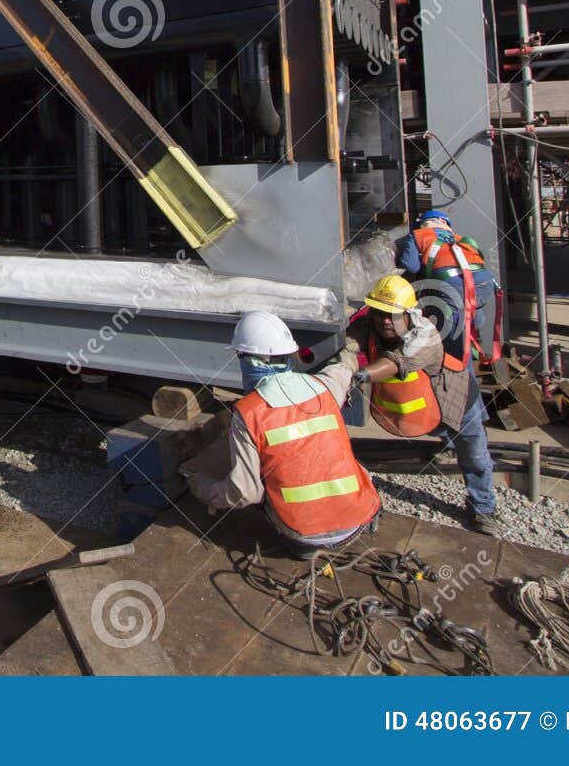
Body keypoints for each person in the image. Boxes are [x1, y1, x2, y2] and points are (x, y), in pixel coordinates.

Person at [182, 311, 381, 554]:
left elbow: (244, 493)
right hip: (359, 517)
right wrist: (352, 341)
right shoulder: (324, 388)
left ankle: (305, 547)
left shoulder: (249, 412)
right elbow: (342, 368)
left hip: (303, 535)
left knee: (261, 477)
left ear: (245, 358)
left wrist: (202, 486)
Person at [352, 275, 499, 535]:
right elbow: (349, 341)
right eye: (381, 313)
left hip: (454, 400)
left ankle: (483, 507)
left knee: (474, 453)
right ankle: (447, 445)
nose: (386, 320)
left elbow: (399, 362)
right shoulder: (370, 326)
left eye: (394, 315)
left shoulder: (425, 335)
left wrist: (359, 375)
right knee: (446, 436)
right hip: (419, 405)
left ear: (410, 313)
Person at [396, 209, 501, 370]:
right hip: (484, 283)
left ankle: (461, 376)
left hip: (455, 286)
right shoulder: (459, 239)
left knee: (455, 341)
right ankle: (473, 348)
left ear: (422, 224)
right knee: (473, 320)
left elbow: (411, 266)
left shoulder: (419, 235)